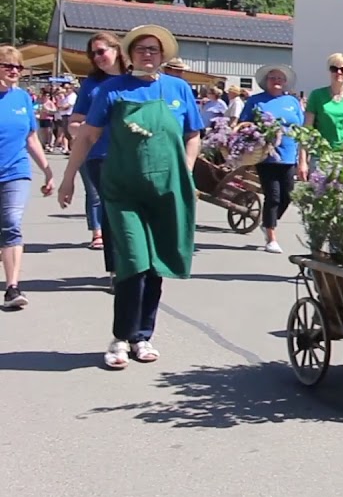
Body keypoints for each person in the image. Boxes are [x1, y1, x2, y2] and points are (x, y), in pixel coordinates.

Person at [57, 25, 204, 370]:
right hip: (123, 191)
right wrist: (67, 180)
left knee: (157, 266)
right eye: (141, 49)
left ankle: (143, 336)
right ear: (130, 54)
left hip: (166, 190)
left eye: (154, 49)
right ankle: (120, 338)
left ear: (163, 55)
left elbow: (193, 134)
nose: (147, 54)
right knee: (133, 263)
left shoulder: (178, 89)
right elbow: (88, 136)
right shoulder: (112, 89)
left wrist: (185, 169)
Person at [0, 45, 55, 310]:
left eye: (18, 67)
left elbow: (31, 137)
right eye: (8, 66)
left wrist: (46, 169)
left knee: (11, 223)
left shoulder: (22, 98)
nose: (14, 71)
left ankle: (12, 288)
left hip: (15, 171)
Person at [70, 32, 128, 264]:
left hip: (133, 156)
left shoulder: (136, 78)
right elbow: (73, 124)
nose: (97, 57)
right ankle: (116, 269)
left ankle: (135, 265)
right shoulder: (91, 85)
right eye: (93, 54)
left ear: (117, 50)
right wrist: (90, 127)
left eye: (101, 51)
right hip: (99, 156)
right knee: (111, 210)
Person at [243, 65, 304, 254]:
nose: (276, 81)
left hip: (288, 155)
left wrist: (303, 158)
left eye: (280, 78)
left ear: (285, 82)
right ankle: (271, 237)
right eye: (272, 78)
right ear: (266, 81)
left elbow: (302, 128)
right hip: (265, 156)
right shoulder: (256, 101)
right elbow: (243, 124)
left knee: (288, 195)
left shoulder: (292, 102)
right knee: (274, 196)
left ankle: (268, 222)